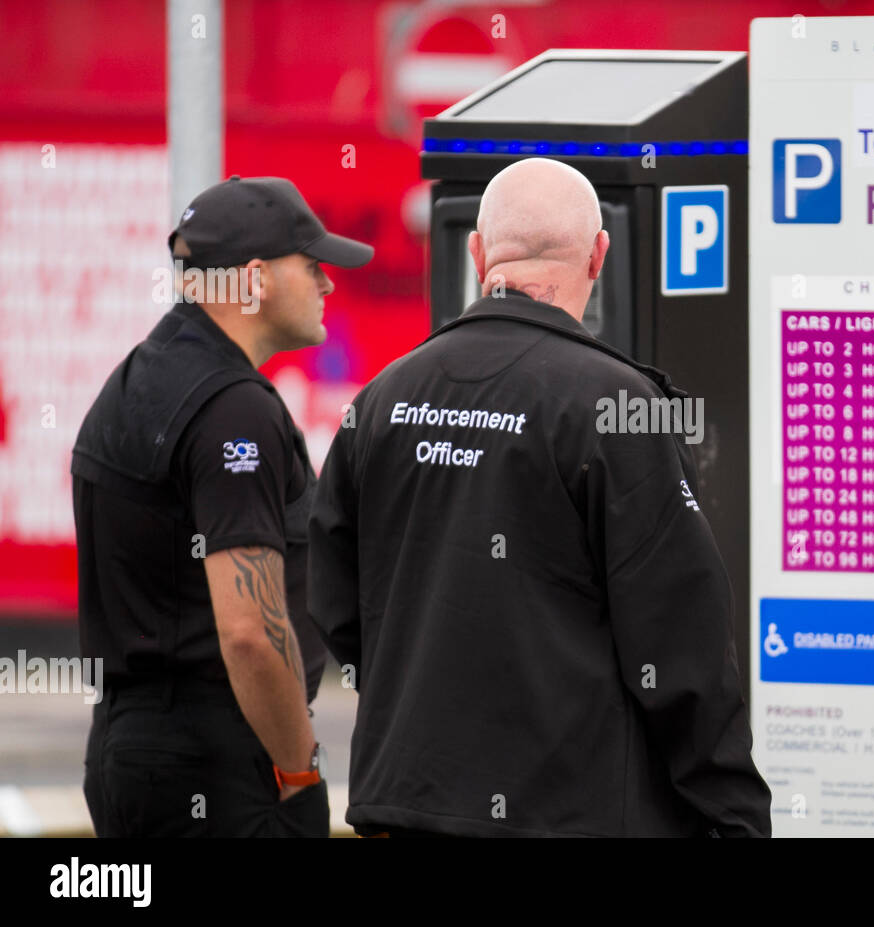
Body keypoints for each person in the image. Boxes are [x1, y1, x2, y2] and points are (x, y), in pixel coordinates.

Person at [308, 158, 771, 837]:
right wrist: (734, 815)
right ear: (598, 254)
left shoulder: (383, 398)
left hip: (407, 805)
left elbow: (336, 600)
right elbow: (683, 644)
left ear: (477, 252)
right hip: (566, 814)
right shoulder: (619, 407)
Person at [72, 176, 373, 836]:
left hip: (129, 753)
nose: (327, 284)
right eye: (314, 265)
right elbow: (250, 631)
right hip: (217, 767)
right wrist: (300, 771)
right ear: (258, 278)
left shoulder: (134, 377)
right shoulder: (234, 407)